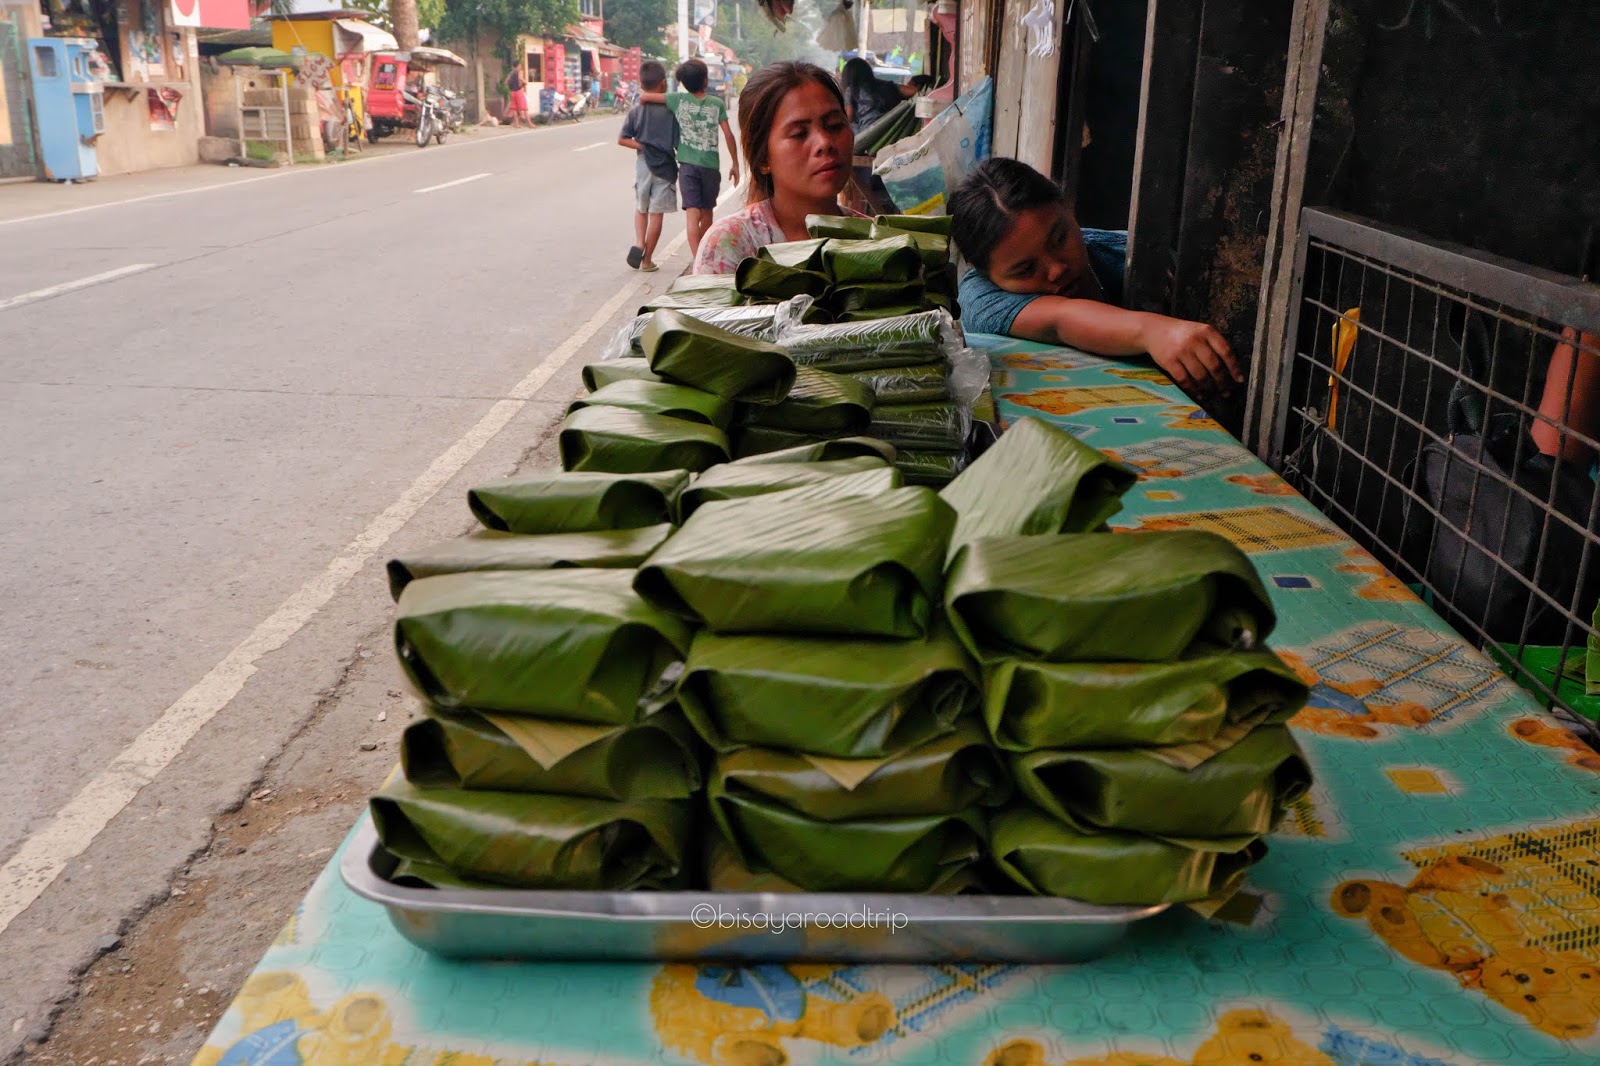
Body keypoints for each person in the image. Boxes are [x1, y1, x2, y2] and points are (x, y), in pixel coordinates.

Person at [950, 157, 1242, 402]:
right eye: (1025, 270)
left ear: (1068, 207)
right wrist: (1154, 331)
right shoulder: (981, 298)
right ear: (981, 269)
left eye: (1059, 238)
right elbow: (1061, 321)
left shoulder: (1127, 252)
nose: (1056, 270)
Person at [694, 61, 864, 276]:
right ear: (763, 158)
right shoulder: (730, 245)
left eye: (834, 125)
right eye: (799, 133)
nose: (824, 142)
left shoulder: (876, 238)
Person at [639, 59, 740, 259]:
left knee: (692, 215)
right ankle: (704, 255)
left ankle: (697, 260)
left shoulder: (678, 100)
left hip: (687, 168)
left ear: (683, 83)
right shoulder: (717, 103)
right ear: (705, 81)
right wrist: (735, 163)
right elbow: (729, 135)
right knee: (707, 214)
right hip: (710, 167)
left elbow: (644, 98)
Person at [618, 60, 680, 273]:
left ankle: (638, 242)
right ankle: (647, 260)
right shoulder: (672, 112)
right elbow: (678, 143)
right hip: (665, 166)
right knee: (656, 214)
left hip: (643, 164)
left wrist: (643, 146)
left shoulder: (636, 111)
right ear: (663, 84)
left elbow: (623, 139)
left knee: (641, 207)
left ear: (640, 84)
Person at [840, 57, 902, 135]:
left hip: (866, 132)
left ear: (847, 76)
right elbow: (913, 91)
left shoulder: (851, 90)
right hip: (887, 129)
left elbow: (849, 116)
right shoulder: (884, 86)